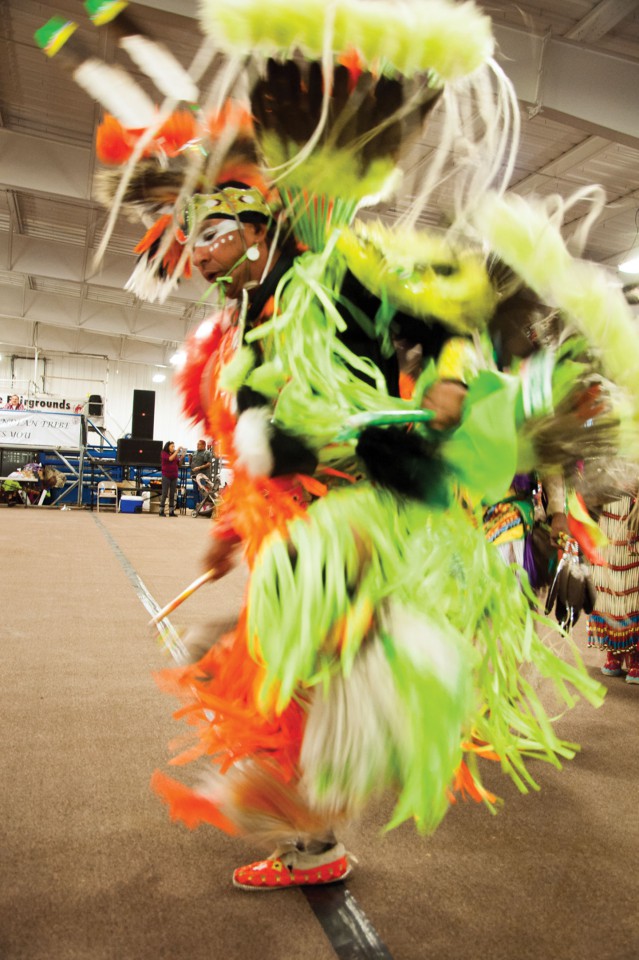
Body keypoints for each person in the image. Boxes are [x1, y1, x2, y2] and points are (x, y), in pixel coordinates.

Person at [43, 0, 639, 897]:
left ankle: (354, 747)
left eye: (216, 230)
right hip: (305, 521)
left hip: (377, 504)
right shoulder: (241, 332)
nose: (199, 253)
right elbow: (257, 448)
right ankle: (315, 835)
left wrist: (446, 374)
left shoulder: (337, 269)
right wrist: (231, 525)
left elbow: (444, 313)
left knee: (298, 648)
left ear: (261, 223)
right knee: (271, 671)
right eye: (189, 237)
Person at [587, 489, 639, 683]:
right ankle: (614, 650)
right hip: (608, 503)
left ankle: (636, 655)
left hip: (634, 508)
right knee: (606, 577)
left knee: (633, 583)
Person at [159, 442, 183, 517]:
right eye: (172, 446)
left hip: (174, 476)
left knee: (172, 494)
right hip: (166, 475)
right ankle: (161, 510)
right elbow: (170, 459)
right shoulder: (164, 453)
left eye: (174, 446)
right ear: (168, 447)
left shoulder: (175, 455)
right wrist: (177, 451)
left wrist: (181, 458)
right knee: (165, 493)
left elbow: (179, 464)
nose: (173, 447)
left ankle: (171, 511)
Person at [189, 440, 213, 510]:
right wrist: (190, 459)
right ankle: (197, 506)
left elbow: (208, 464)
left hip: (202, 476)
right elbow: (192, 463)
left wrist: (199, 467)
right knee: (195, 491)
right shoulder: (195, 452)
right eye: (197, 444)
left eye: (199, 444)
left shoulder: (207, 453)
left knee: (202, 492)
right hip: (194, 475)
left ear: (203, 445)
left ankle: (203, 508)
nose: (197, 445)